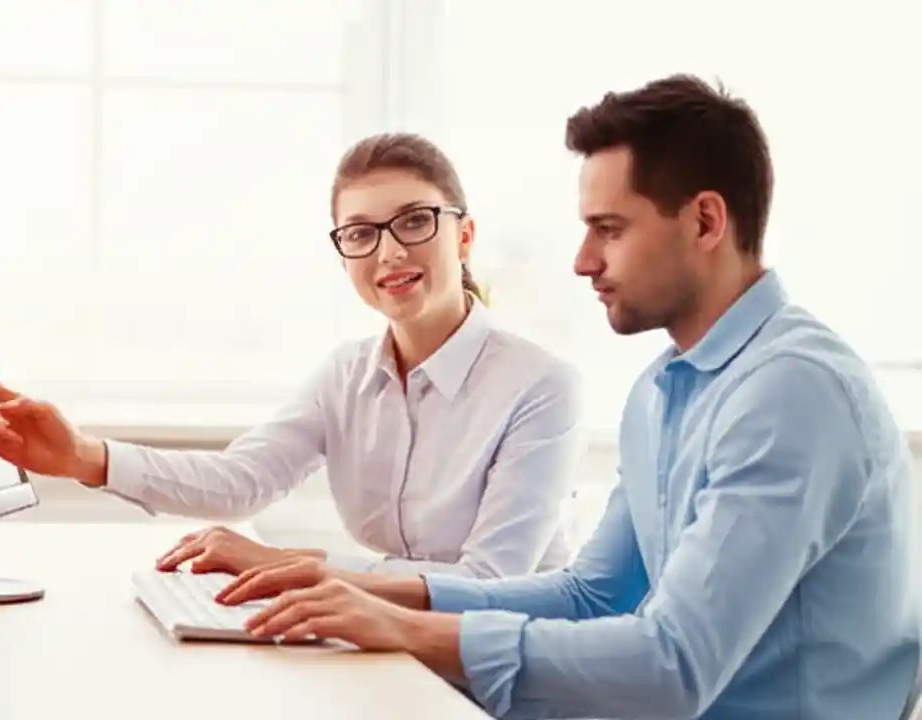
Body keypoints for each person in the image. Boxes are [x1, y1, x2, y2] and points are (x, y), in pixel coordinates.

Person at [215, 75, 921, 719]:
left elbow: (672, 667)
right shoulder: (663, 390)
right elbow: (591, 594)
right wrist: (345, 585)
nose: (583, 260)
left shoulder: (791, 392)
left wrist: (408, 627)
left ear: (706, 222)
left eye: (608, 230)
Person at [0, 132, 585, 580]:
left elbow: (490, 581)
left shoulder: (540, 386)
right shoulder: (347, 374)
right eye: (362, 233)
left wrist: (297, 566)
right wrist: (81, 457)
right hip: (395, 646)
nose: (389, 253)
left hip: (506, 674)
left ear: (464, 234)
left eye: (414, 221)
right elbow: (243, 481)